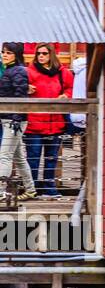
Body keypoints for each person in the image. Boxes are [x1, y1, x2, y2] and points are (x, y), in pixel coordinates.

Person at [24, 43, 73, 198]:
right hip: (34, 123)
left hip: (55, 123)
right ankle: (32, 189)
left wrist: (66, 95)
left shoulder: (62, 72)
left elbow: (70, 88)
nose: (41, 56)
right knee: (33, 158)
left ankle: (49, 188)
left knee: (51, 159)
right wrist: (25, 88)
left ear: (51, 54)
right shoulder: (29, 72)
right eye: (38, 53)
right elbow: (17, 88)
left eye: (44, 53)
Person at [0, 43, 35, 200]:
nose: (4, 55)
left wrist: (16, 118)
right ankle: (31, 190)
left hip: (13, 121)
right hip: (10, 119)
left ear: (17, 54)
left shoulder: (18, 71)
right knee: (19, 158)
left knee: (4, 156)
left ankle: (2, 192)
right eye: (3, 52)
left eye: (8, 52)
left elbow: (21, 96)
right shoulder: (10, 70)